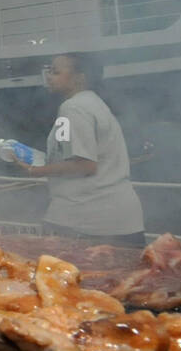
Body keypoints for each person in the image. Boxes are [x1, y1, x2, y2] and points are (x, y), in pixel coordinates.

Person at [19, 53, 145, 247]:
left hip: (88, 221)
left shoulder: (73, 108)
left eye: (56, 72)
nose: (49, 77)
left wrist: (34, 171)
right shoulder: (94, 103)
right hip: (118, 220)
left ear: (80, 78)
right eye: (49, 71)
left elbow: (85, 164)